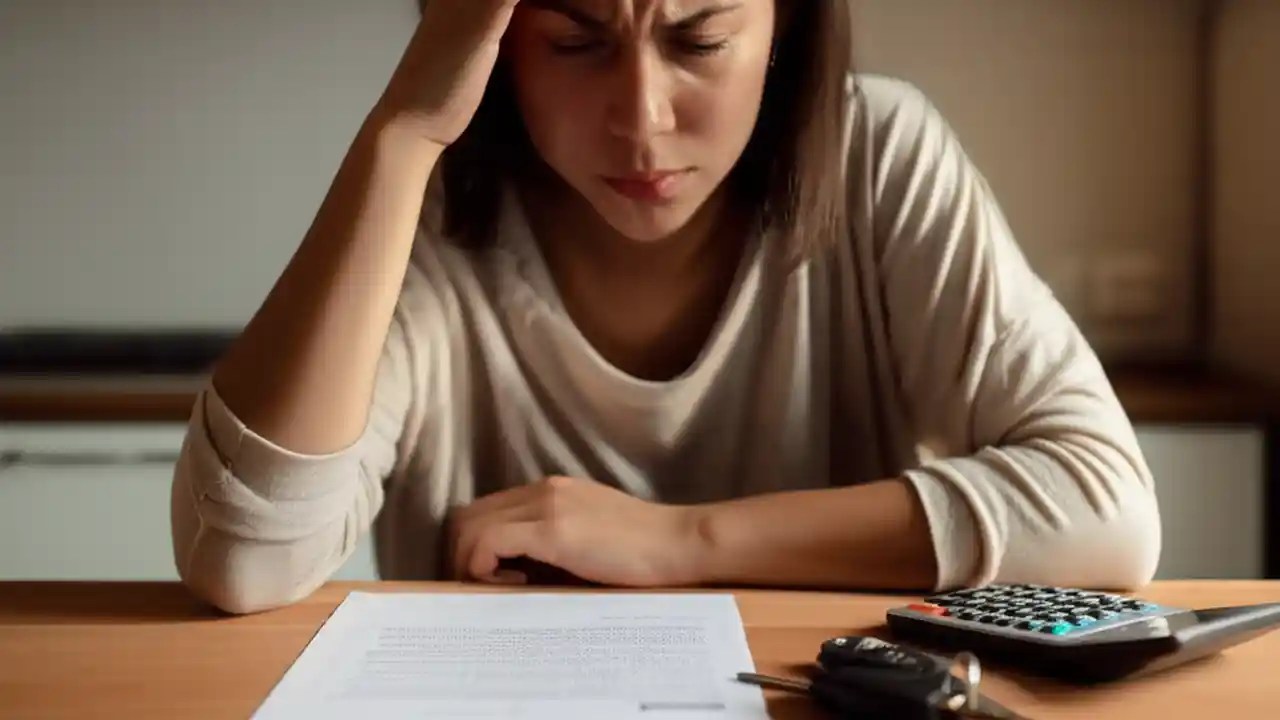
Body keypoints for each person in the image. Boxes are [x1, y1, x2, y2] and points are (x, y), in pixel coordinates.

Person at [170, 0, 1161, 615]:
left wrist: (674, 541)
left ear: (783, 29)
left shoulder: (877, 155)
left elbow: (1105, 511)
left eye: (699, 37)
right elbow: (242, 563)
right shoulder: (426, 216)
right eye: (572, 40)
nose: (642, 118)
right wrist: (401, 133)